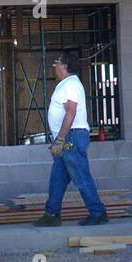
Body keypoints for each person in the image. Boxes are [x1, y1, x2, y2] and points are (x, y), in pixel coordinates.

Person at [33, 56, 108, 227]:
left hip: (71, 137)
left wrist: (60, 139)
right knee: (58, 177)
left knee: (80, 175)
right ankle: (51, 214)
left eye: (56, 62)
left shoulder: (71, 84)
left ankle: (98, 213)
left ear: (65, 65)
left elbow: (71, 112)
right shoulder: (66, 84)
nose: (54, 65)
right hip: (67, 137)